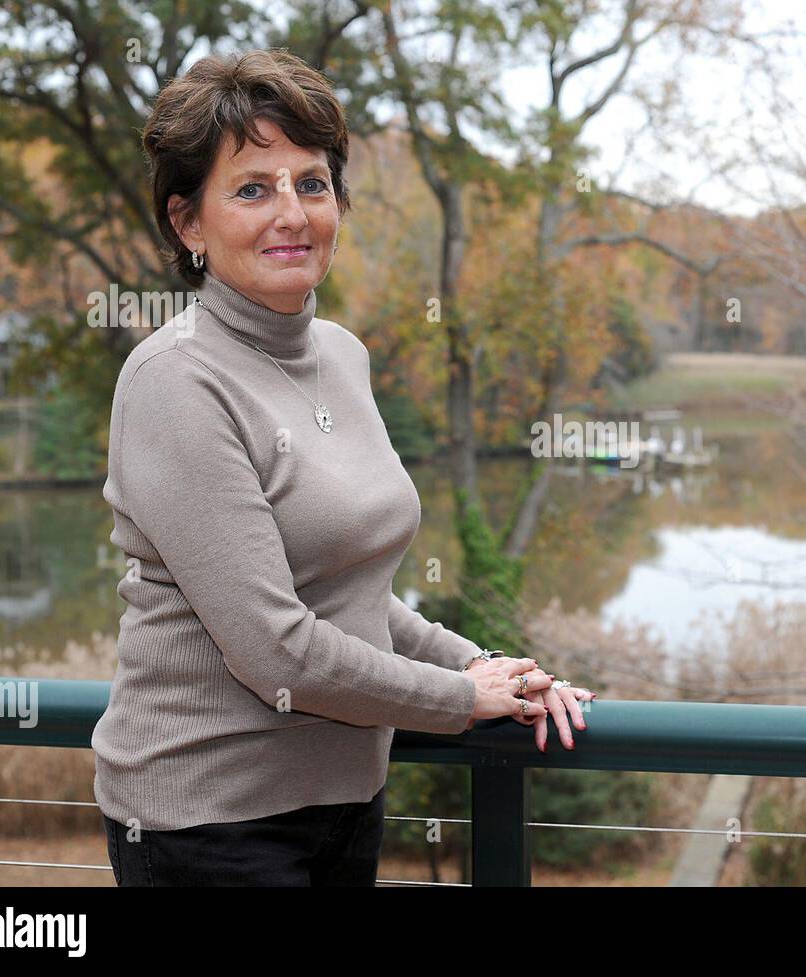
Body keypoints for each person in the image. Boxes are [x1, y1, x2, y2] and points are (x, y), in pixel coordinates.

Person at [93, 48, 595, 886]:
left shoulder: (341, 354)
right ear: (188, 224)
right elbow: (276, 650)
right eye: (252, 188)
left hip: (345, 806)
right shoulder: (175, 381)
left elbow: (351, 594)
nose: (290, 212)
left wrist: (486, 666)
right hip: (207, 827)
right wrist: (459, 700)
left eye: (312, 183)